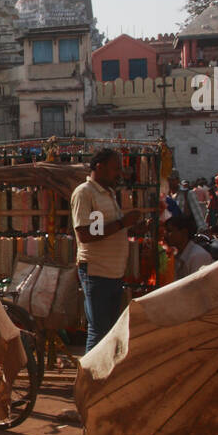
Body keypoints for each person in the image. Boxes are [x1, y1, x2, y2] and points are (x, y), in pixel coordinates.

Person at [71, 149, 143, 353]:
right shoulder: (85, 193)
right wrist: (123, 223)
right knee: (99, 331)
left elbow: (105, 228)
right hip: (97, 272)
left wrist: (131, 227)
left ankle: (100, 379)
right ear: (99, 167)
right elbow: (86, 234)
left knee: (108, 331)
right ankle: (89, 382)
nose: (119, 173)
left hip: (113, 273)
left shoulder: (108, 193)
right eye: (115, 168)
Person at [164, 213, 212, 280]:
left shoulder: (198, 256)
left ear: (184, 233)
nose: (166, 235)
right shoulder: (177, 255)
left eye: (170, 231)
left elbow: (197, 287)